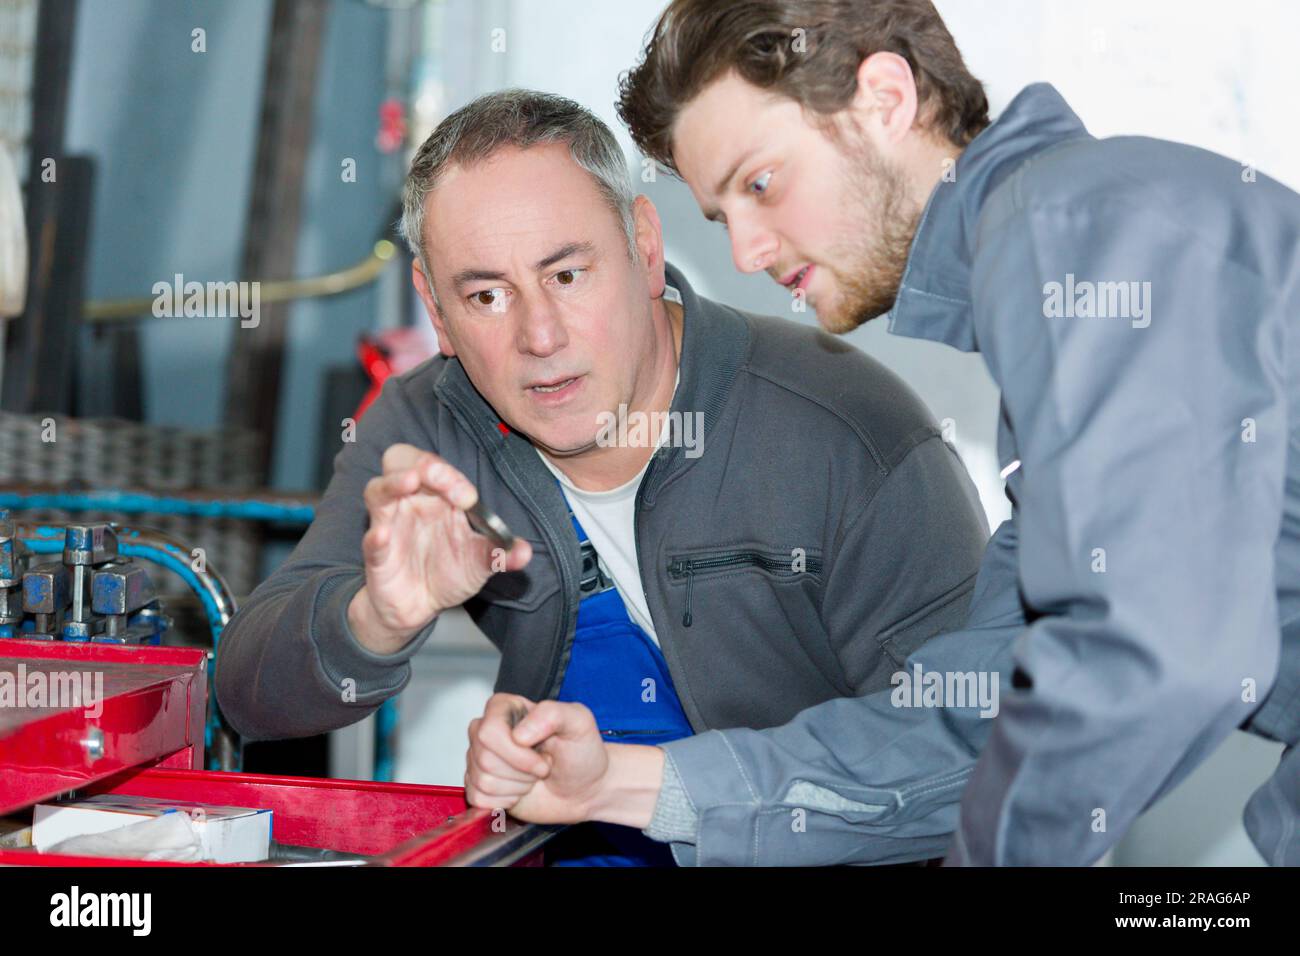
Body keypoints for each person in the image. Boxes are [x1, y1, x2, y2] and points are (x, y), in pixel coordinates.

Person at [485, 0, 1299, 867]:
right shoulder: (1065, 261)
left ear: (884, 99)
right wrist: (620, 784)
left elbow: (1154, 647)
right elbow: (979, 722)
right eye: (724, 218)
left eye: (759, 184)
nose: (747, 254)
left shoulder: (1074, 230)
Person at [213, 87, 992, 865]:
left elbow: (971, 757)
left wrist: (645, 786)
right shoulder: (436, 427)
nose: (539, 336)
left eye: (567, 275)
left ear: (644, 249)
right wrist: (374, 617)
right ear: (436, 314)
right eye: (486, 296)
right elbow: (243, 694)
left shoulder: (848, 431)